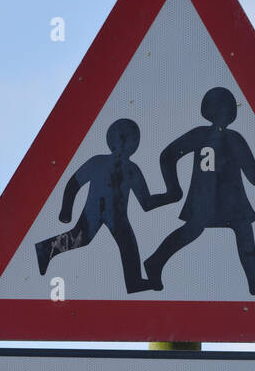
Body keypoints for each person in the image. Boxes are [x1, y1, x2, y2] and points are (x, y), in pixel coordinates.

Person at [143, 87, 255, 295]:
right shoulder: (202, 134)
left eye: (229, 106)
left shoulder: (234, 138)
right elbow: (168, 155)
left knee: (243, 229)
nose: (227, 111)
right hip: (205, 196)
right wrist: (173, 189)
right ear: (210, 110)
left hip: (231, 198)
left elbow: (254, 175)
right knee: (194, 229)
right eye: (222, 106)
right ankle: (155, 262)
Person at [35, 119, 175, 293]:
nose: (125, 143)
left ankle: (134, 282)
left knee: (127, 245)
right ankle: (46, 247)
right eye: (122, 138)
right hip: (95, 210)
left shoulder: (133, 169)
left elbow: (146, 202)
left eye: (130, 139)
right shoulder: (98, 162)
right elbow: (74, 184)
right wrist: (66, 210)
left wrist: (169, 197)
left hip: (118, 215)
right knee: (82, 238)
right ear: (112, 141)